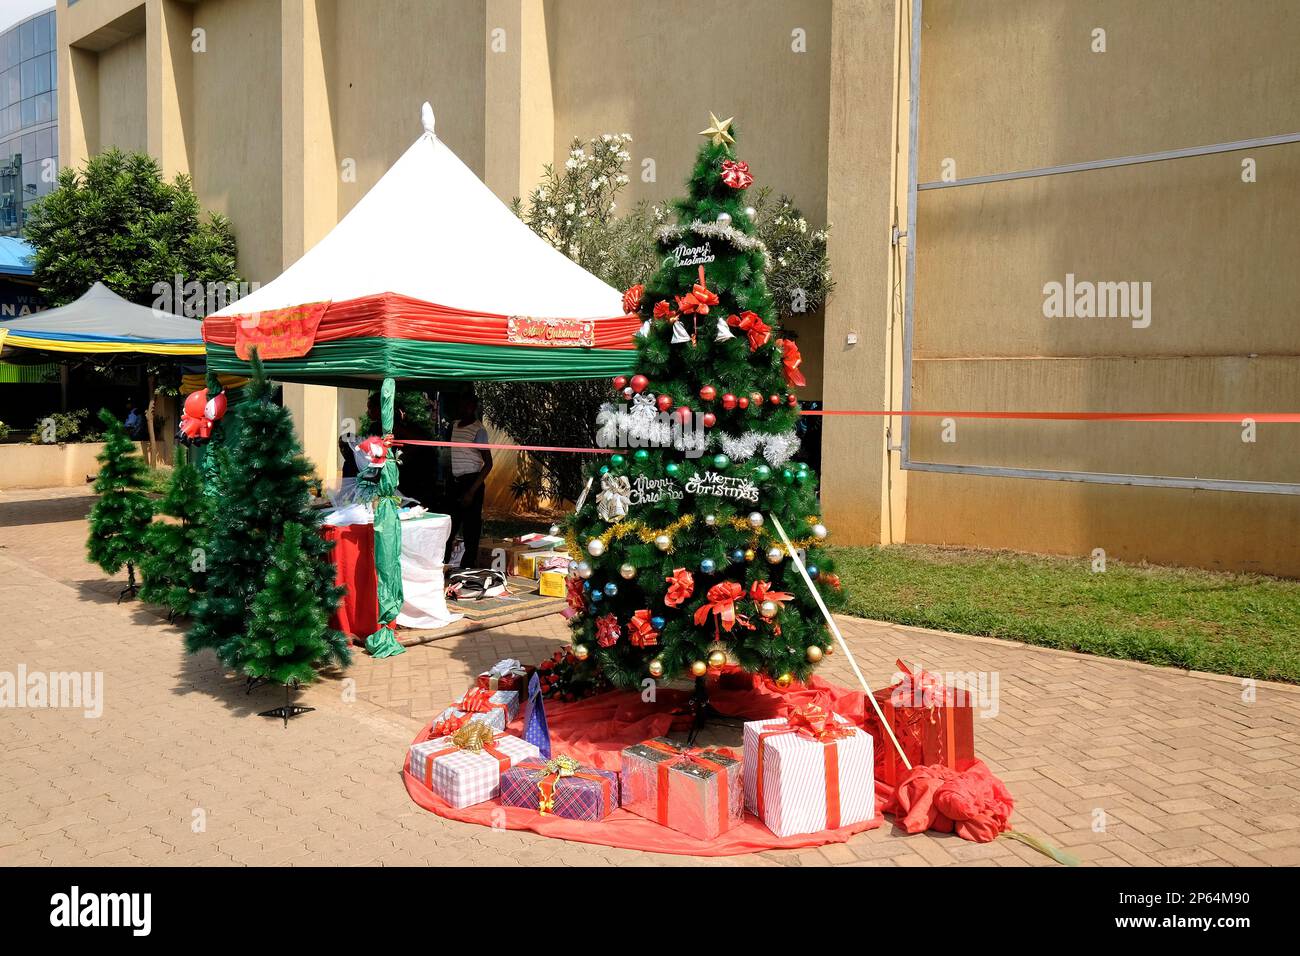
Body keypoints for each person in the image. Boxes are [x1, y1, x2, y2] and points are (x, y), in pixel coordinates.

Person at [443, 392, 492, 569]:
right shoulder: (454, 426)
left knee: (471, 528)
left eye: (466, 404)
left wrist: (471, 491)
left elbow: (488, 463)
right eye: (460, 404)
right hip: (455, 481)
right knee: (450, 525)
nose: (462, 408)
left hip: (472, 482)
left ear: (472, 407)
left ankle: (468, 568)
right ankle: (445, 564)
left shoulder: (478, 430)